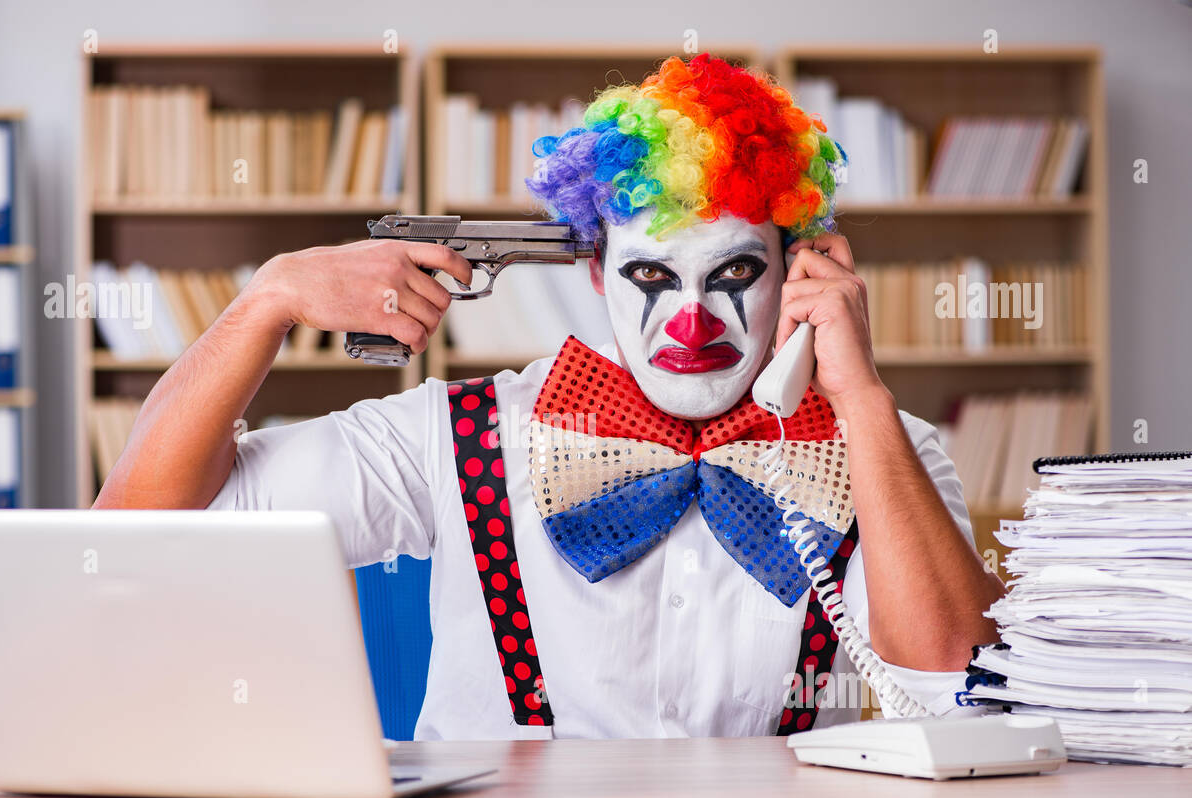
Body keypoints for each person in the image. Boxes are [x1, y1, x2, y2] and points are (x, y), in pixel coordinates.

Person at [95, 54, 1004, 740]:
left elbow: (960, 684)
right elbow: (142, 526)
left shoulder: (884, 454)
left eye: (733, 271)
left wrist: (863, 397)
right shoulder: (454, 439)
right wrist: (270, 299)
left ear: (800, 273)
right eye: (653, 272)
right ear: (597, 269)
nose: (691, 318)